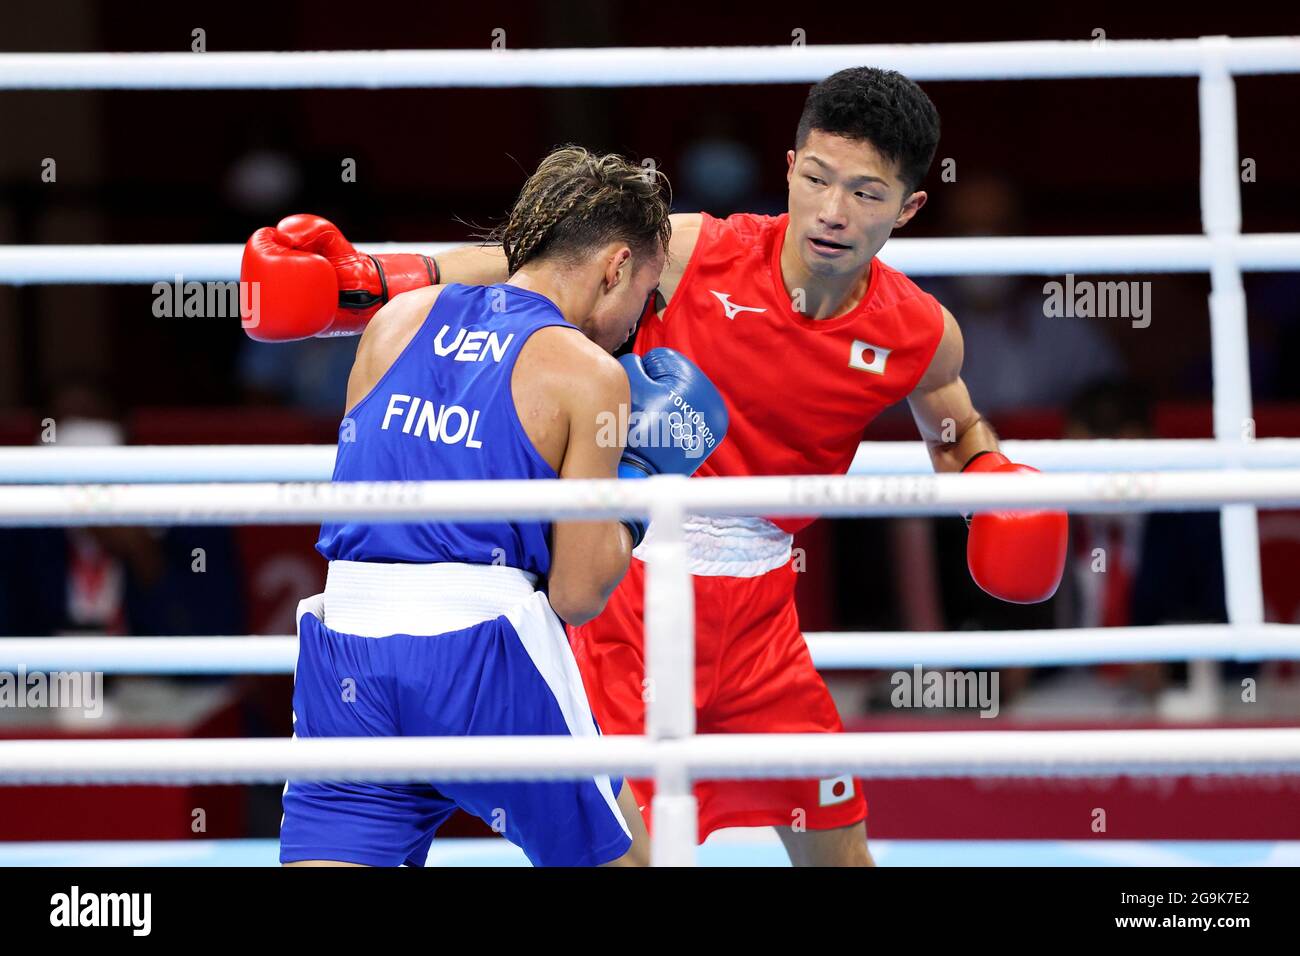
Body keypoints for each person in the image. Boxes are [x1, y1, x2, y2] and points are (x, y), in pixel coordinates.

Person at [245, 68, 1069, 866]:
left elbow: (954, 426)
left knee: (838, 842)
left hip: (761, 620)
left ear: (909, 207)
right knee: (627, 844)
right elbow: (528, 260)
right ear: (789, 168)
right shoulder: (692, 250)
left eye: (866, 193)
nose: (833, 210)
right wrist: (373, 281)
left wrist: (990, 479)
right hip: (629, 586)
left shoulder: (919, 330)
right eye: (818, 178)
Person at [267, 146, 728, 867]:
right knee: (627, 861)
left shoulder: (398, 319)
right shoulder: (588, 373)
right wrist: (643, 484)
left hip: (345, 642)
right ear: (614, 268)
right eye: (645, 292)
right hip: (480, 653)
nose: (641, 319)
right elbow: (577, 594)